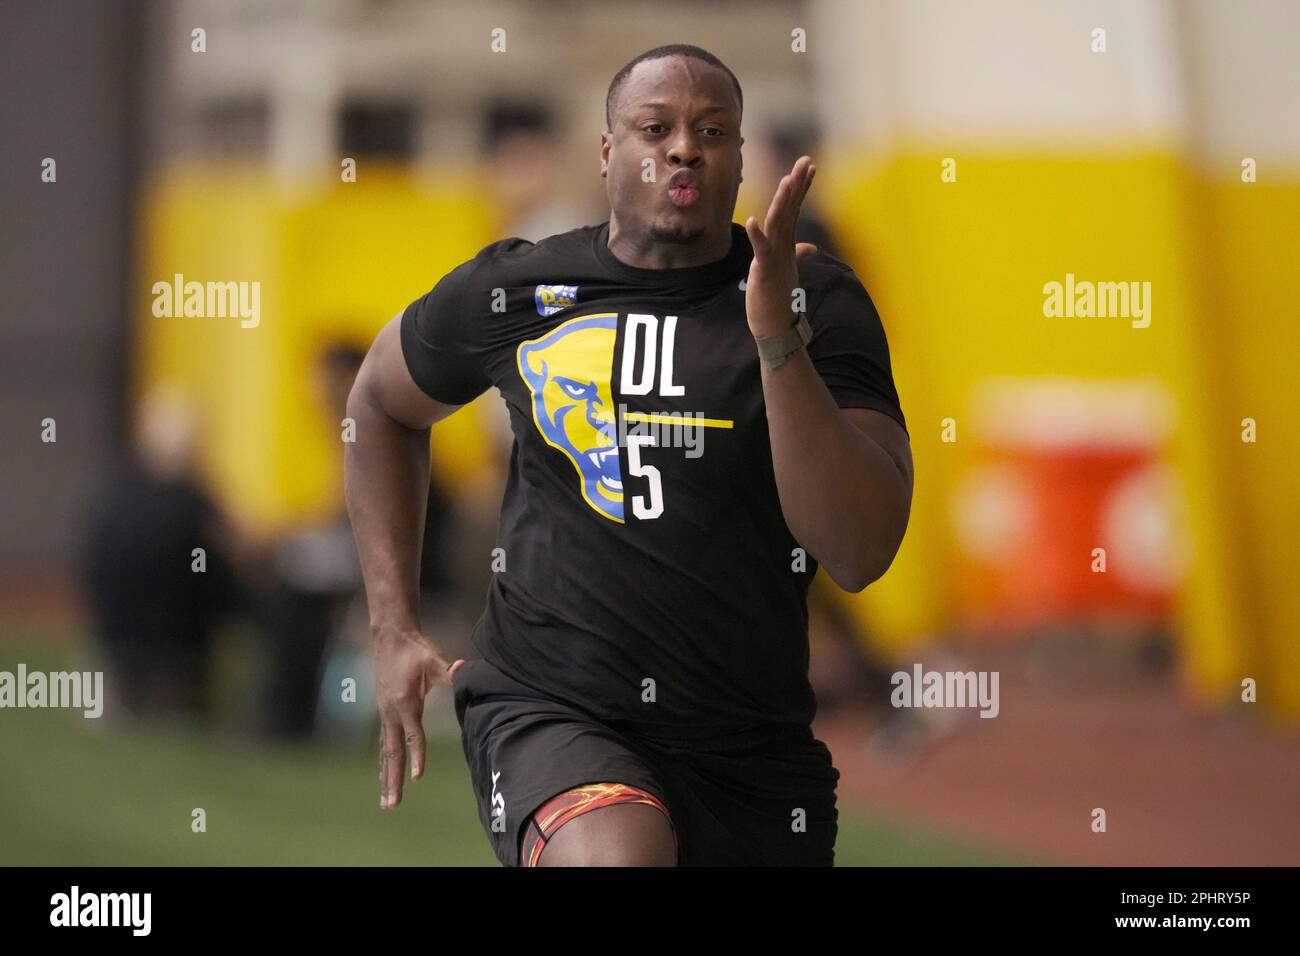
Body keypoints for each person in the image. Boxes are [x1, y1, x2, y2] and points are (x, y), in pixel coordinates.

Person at [345, 44, 913, 866]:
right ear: (609, 153)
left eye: (712, 130)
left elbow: (860, 551)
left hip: (749, 749)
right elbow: (378, 405)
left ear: (740, 157)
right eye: (656, 128)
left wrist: (776, 340)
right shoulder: (523, 290)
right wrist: (392, 625)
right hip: (552, 709)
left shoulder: (816, 302)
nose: (684, 147)